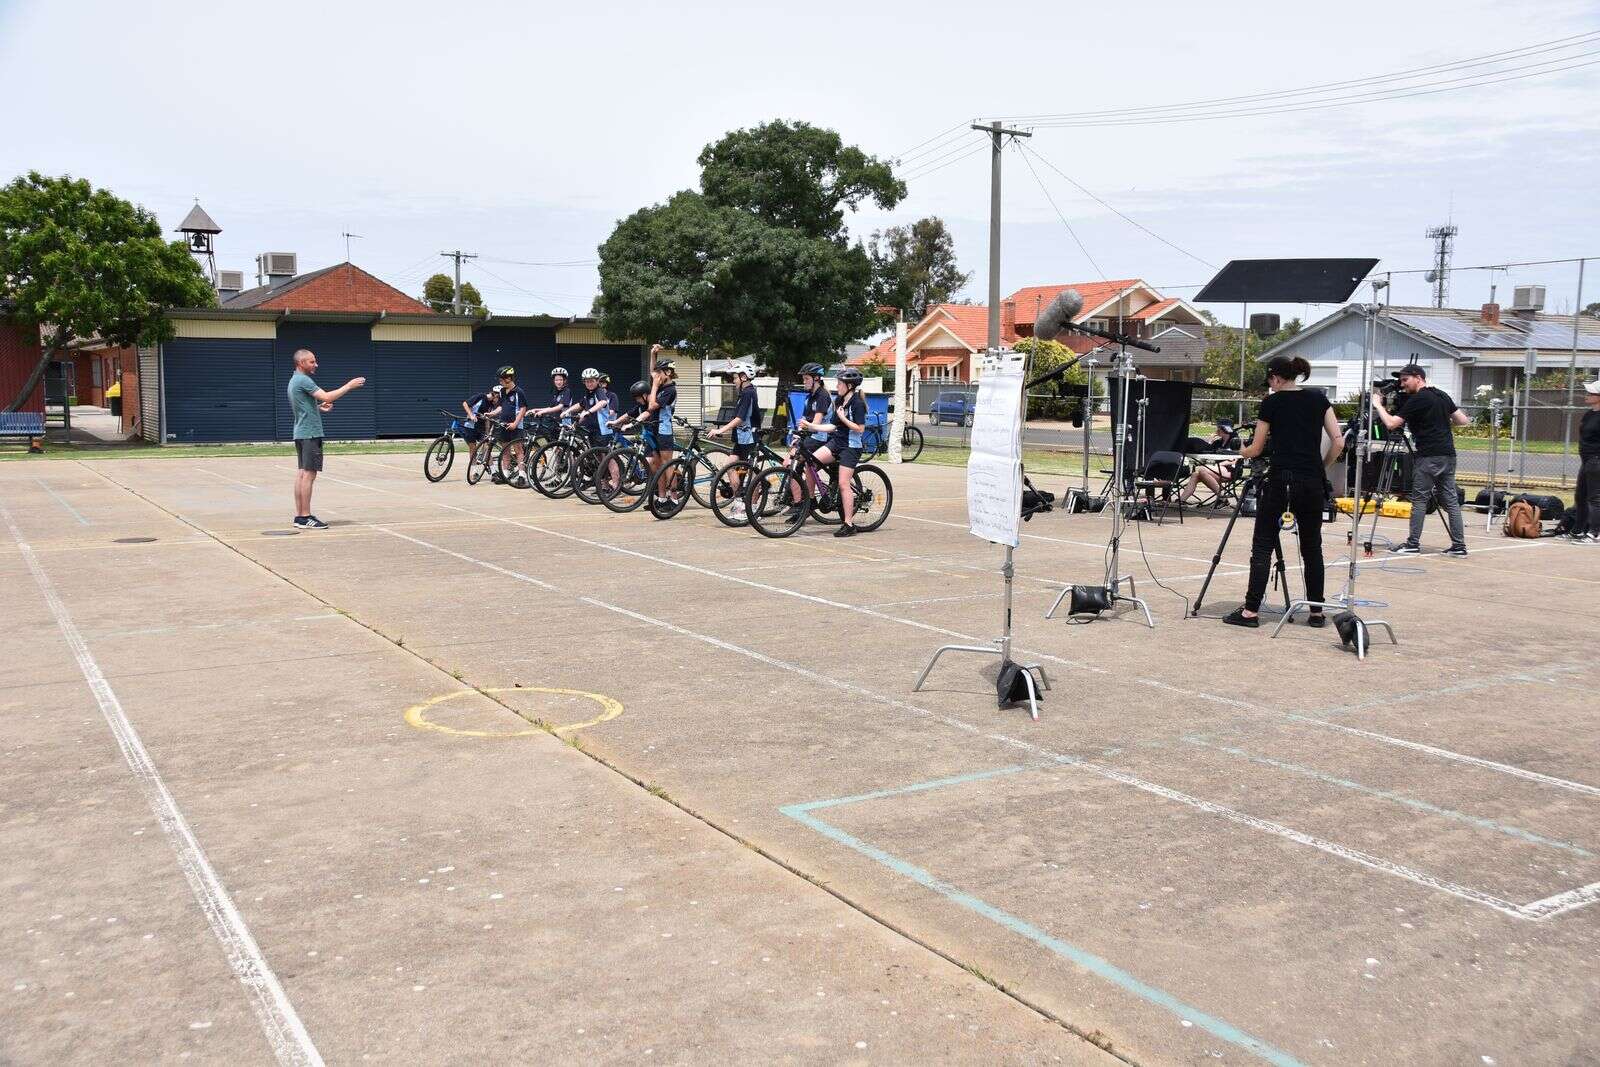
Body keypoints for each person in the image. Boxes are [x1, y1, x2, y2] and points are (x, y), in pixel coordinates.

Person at [1224, 355, 1344, 629]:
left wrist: (1241, 451)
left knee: (1263, 544)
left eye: (1270, 381)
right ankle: (1316, 611)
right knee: (1312, 547)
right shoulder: (1318, 399)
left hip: (1281, 480)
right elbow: (1338, 442)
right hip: (1311, 481)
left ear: (1276, 378)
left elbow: (1256, 448)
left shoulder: (1272, 402)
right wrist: (1321, 467)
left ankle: (1250, 611)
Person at [1371, 363, 1470, 557]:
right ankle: (1459, 546)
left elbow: (1391, 424)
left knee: (1419, 500)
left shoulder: (1418, 399)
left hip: (1429, 456)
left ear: (1418, 378)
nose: (1402, 384)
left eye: (1405, 380)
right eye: (1400, 381)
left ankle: (1412, 544)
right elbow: (1462, 420)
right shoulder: (1441, 395)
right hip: (1448, 454)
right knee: (1450, 500)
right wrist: (1437, 421)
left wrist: (1378, 405)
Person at [285, 348, 365, 529]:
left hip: (301, 432)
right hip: (310, 433)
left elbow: (303, 406)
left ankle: (300, 516)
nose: (316, 364)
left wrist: (318, 408)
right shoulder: (304, 380)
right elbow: (328, 396)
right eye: (312, 362)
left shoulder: (294, 380)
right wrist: (349, 386)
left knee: (302, 473)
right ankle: (305, 516)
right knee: (309, 474)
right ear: (301, 363)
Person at [810, 367, 869, 537]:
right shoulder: (839, 400)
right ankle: (814, 499)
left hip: (851, 446)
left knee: (844, 484)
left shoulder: (857, 403)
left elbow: (860, 429)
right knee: (811, 461)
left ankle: (849, 524)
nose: (837, 386)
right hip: (836, 442)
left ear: (849, 386)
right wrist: (812, 426)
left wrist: (843, 418)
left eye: (840, 383)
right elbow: (832, 426)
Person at [708, 362, 760, 518]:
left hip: (750, 438)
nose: (733, 381)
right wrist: (733, 367)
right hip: (741, 439)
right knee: (729, 466)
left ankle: (753, 509)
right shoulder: (743, 392)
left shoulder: (749, 393)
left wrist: (720, 430)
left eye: (736, 378)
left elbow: (740, 418)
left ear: (744, 378)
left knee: (752, 475)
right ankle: (739, 503)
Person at [1180, 418, 1241, 504]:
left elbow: (1234, 460)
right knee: (1195, 474)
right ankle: (1182, 501)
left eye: (1218, 427)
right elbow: (1208, 453)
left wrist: (1218, 465)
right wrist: (1210, 441)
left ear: (1224, 429)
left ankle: (1222, 498)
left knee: (1201, 469)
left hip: (1232, 470)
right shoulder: (1217, 442)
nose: (1217, 430)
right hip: (1219, 469)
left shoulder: (1235, 441)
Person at [644, 347, 678, 481]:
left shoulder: (670, 390)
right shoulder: (661, 384)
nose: (656, 376)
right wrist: (653, 354)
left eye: (660, 373)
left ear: (668, 372)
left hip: (664, 430)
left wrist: (654, 386)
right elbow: (652, 371)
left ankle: (673, 493)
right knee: (655, 464)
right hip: (654, 428)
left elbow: (651, 406)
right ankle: (661, 493)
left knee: (666, 464)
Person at [492, 367, 530, 487]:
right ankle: (506, 475)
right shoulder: (502, 391)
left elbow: (523, 409)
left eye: (501, 379)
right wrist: (492, 413)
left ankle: (522, 476)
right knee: (505, 450)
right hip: (503, 424)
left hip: (516, 425)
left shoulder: (519, 392)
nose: (500, 382)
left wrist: (515, 423)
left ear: (508, 378)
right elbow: (501, 406)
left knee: (518, 450)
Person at [1573, 378, 1600, 544]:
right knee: (1580, 495)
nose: (1587, 395)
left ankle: (1595, 533)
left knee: (1594, 497)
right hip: (1586, 460)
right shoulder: (1589, 414)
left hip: (1596, 460)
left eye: (1591, 393)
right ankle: (1578, 530)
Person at [459, 384, 501, 466]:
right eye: (499, 398)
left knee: (486, 448)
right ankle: (473, 469)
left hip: (481, 428)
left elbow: (487, 419)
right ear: (495, 395)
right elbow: (465, 404)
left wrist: (487, 432)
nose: (499, 401)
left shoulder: (491, 404)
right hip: (470, 426)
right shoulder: (481, 396)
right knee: (472, 448)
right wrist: (471, 415)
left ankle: (493, 470)